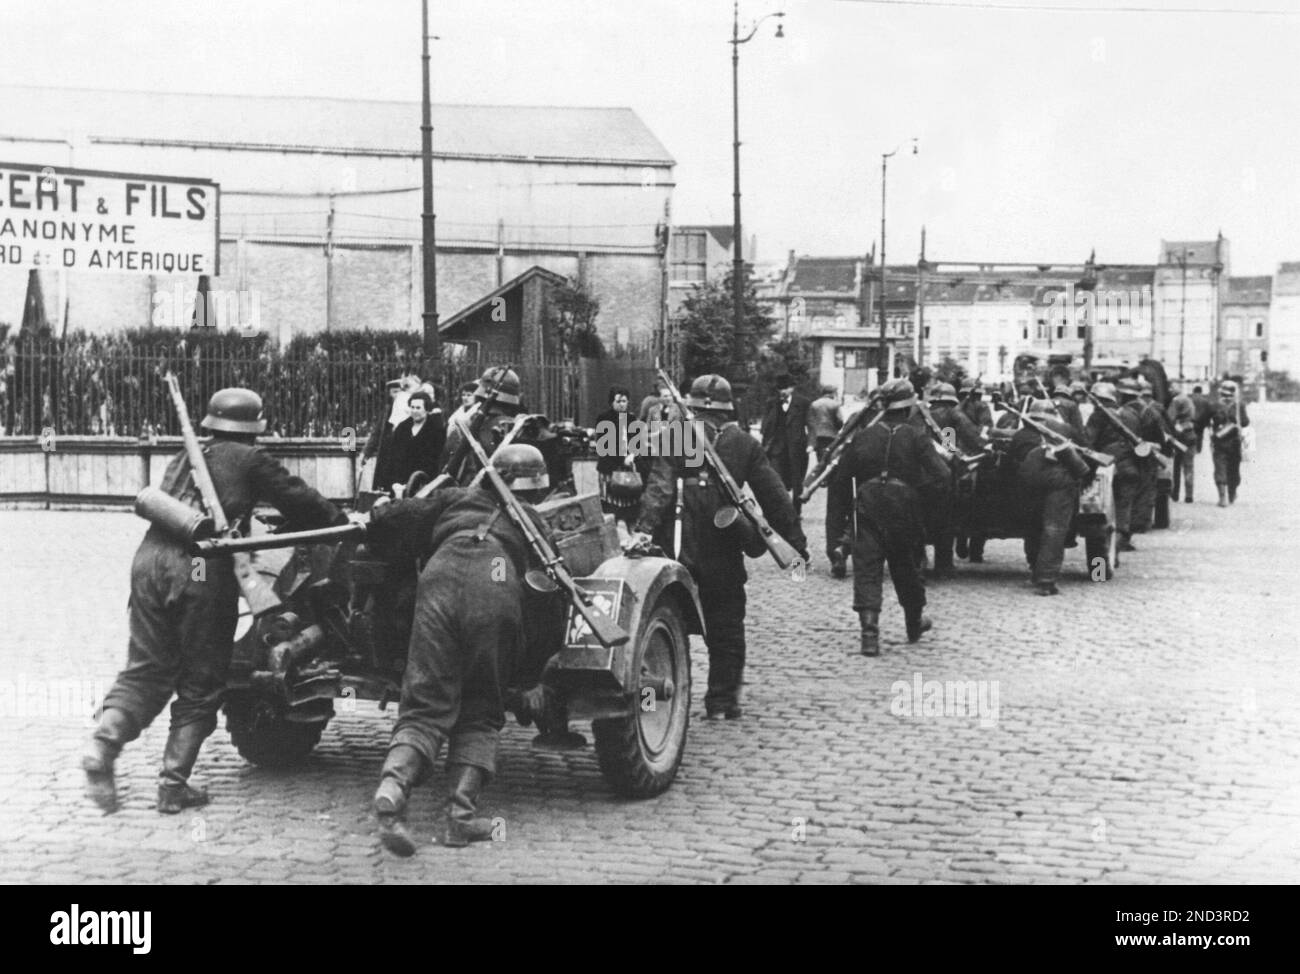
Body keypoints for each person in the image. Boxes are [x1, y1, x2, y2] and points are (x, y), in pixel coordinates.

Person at [83, 388, 347, 815]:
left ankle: (102, 746)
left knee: (146, 669)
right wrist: (342, 521)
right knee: (202, 679)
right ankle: (172, 785)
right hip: (198, 569)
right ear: (253, 428)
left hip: (148, 562)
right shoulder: (251, 459)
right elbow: (301, 502)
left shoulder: (185, 456)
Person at [367, 444, 556, 857]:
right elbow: (548, 601)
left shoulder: (456, 498)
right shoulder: (535, 524)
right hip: (495, 585)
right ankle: (460, 818)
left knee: (424, 706)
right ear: (537, 488)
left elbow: (388, 519)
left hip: (438, 580)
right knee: (481, 709)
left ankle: (393, 788)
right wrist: (531, 674)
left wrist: (380, 508)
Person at [629, 374, 806, 719]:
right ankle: (722, 702)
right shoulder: (744, 443)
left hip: (677, 548)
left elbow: (659, 489)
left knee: (659, 627)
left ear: (692, 405)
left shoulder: (677, 436)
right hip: (723, 545)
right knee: (726, 629)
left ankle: (651, 704)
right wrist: (797, 543)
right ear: (728, 408)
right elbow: (774, 496)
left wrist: (643, 531)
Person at [829, 378, 949, 655]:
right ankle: (913, 623)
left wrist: (847, 518)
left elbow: (842, 480)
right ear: (908, 408)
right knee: (908, 568)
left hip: (867, 507)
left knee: (867, 570)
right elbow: (942, 476)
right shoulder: (917, 437)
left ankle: (869, 634)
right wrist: (920, 497)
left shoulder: (864, 436)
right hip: (903, 509)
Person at [1011, 398, 1084, 596]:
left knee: (1034, 526)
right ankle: (1097, 573)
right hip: (1060, 483)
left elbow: (1009, 464)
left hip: (1028, 483)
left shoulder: (1020, 435)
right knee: (1054, 529)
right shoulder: (1066, 429)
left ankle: (1035, 570)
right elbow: (1086, 452)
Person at [1085, 380, 1141, 554]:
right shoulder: (1131, 415)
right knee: (1123, 509)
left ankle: (1102, 562)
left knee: (1100, 518)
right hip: (1130, 467)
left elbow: (1088, 442)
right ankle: (1118, 546)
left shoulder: (1098, 415)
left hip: (1105, 469)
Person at [761, 374, 813, 518]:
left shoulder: (803, 403)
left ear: (792, 388)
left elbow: (811, 424)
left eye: (785, 388)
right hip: (776, 448)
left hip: (797, 448)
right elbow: (766, 426)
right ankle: (777, 510)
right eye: (780, 389)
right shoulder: (772, 403)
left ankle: (796, 511)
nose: (782, 391)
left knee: (797, 481)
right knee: (775, 479)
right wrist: (764, 445)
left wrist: (811, 444)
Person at [593, 385, 642, 528]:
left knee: (629, 502)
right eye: (618, 401)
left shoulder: (632, 419)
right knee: (611, 503)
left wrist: (632, 455)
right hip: (609, 466)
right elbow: (604, 444)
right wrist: (622, 459)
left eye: (624, 401)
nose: (622, 404)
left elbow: (637, 441)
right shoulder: (604, 418)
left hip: (628, 467)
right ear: (611, 402)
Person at [387, 390, 446, 494]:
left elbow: (436, 458)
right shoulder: (402, 428)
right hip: (401, 480)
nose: (414, 411)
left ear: (426, 409)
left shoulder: (436, 429)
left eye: (418, 408)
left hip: (424, 480)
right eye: (412, 407)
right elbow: (394, 455)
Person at [1129, 377, 1165, 534]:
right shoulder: (1152, 412)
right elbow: (1162, 437)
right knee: (1146, 489)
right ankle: (1140, 523)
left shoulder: (1120, 411)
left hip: (1126, 454)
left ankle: (1127, 522)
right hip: (1147, 454)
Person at [1209, 379, 1250, 506]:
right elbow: (1245, 422)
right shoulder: (1239, 405)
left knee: (1220, 468)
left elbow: (1206, 421)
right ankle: (1231, 494)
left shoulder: (1214, 405)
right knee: (1234, 470)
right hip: (1234, 443)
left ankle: (1222, 497)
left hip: (1219, 442)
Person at [1167, 384, 1198, 503]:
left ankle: (1175, 493)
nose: (1170, 390)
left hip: (1179, 437)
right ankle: (1189, 495)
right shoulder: (1189, 400)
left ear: (1177, 389)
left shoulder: (1176, 400)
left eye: (1171, 388)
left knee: (1176, 466)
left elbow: (1170, 418)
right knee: (1189, 466)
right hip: (1190, 434)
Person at [808, 385, 843, 463]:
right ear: (832, 393)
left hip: (818, 435)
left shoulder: (814, 404)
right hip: (831, 435)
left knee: (820, 459)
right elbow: (839, 421)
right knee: (830, 458)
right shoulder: (835, 404)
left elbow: (810, 421)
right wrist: (837, 428)